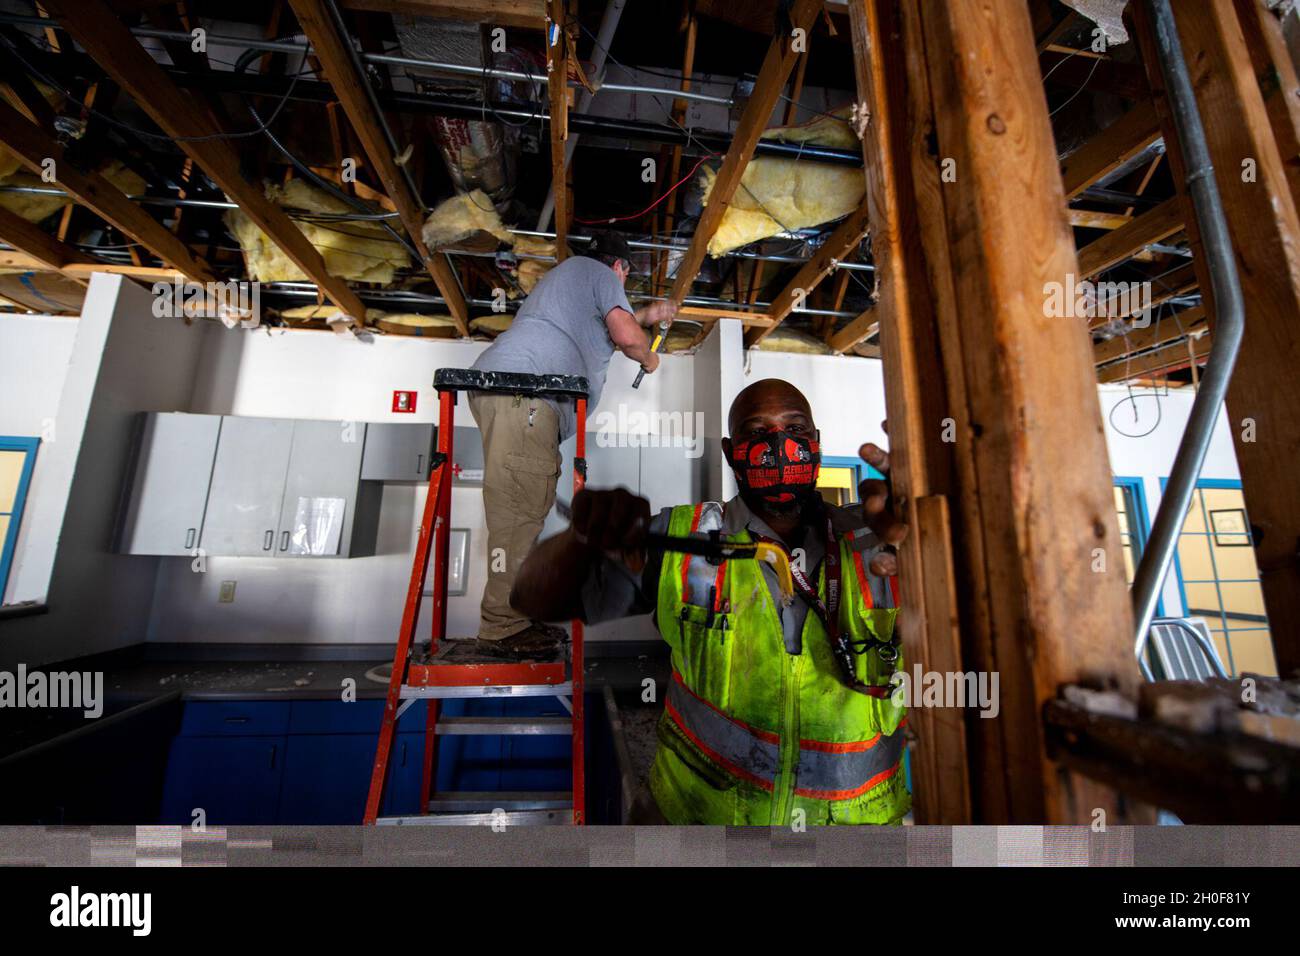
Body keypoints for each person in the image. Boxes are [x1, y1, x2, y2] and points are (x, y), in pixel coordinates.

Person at [511, 379, 911, 825]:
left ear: (816, 443)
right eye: (757, 432)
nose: (779, 445)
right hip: (695, 824)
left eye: (795, 429)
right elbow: (533, 599)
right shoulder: (683, 538)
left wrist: (928, 532)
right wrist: (581, 541)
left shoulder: (883, 543)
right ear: (728, 451)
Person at [467, 231, 676, 659]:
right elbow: (626, 335)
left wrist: (649, 313)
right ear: (619, 267)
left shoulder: (575, 280)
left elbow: (604, 325)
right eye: (625, 277)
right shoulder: (600, 273)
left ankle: (510, 621)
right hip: (524, 394)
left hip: (516, 394)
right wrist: (651, 358)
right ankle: (502, 627)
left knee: (520, 506)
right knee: (520, 511)